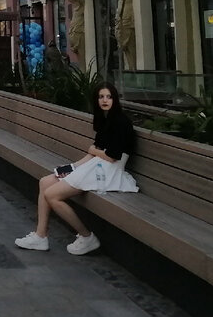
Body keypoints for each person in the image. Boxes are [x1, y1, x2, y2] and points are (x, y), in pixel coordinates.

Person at [15, 82, 138, 256]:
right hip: (96, 164)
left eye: (109, 97)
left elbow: (112, 156)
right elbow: (92, 154)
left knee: (52, 195)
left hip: (108, 170)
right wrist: (70, 168)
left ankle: (86, 236)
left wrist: (93, 150)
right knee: (45, 182)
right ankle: (40, 236)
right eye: (101, 97)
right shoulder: (105, 119)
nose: (105, 100)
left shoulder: (121, 121)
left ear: (115, 99)